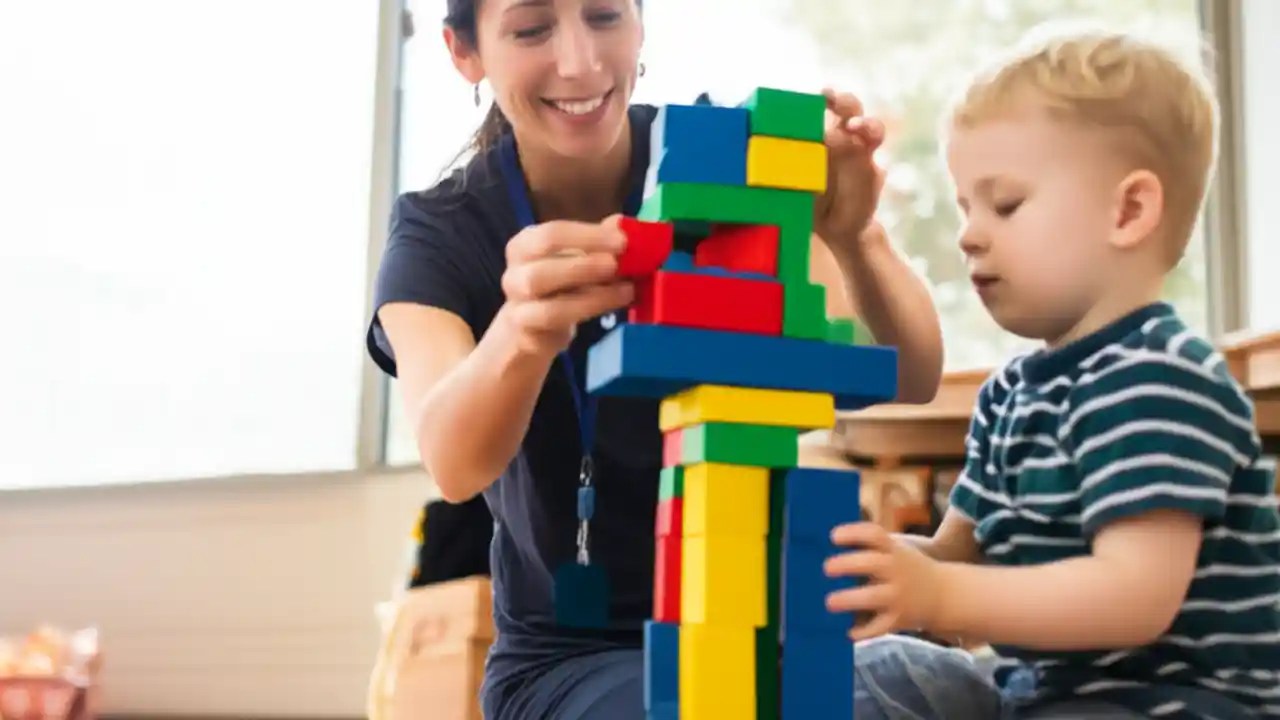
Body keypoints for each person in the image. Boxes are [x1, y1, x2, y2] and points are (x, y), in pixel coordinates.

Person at [365, 0, 945, 717]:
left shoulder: (719, 160)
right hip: (570, 660)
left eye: (605, 16)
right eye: (531, 28)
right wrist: (522, 333)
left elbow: (910, 376)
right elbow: (453, 464)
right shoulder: (439, 230)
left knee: (950, 686)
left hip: (761, 626)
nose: (579, 62)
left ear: (641, 25)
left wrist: (858, 237)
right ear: (466, 52)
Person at [825, 24, 1280, 720]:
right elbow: (957, 558)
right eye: (965, 208)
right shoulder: (1012, 393)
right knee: (883, 671)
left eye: (1005, 204)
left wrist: (936, 595)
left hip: (1175, 703)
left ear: (1128, 210)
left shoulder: (1163, 379)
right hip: (1040, 696)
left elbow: (1133, 599)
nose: (970, 234)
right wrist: (864, 570)